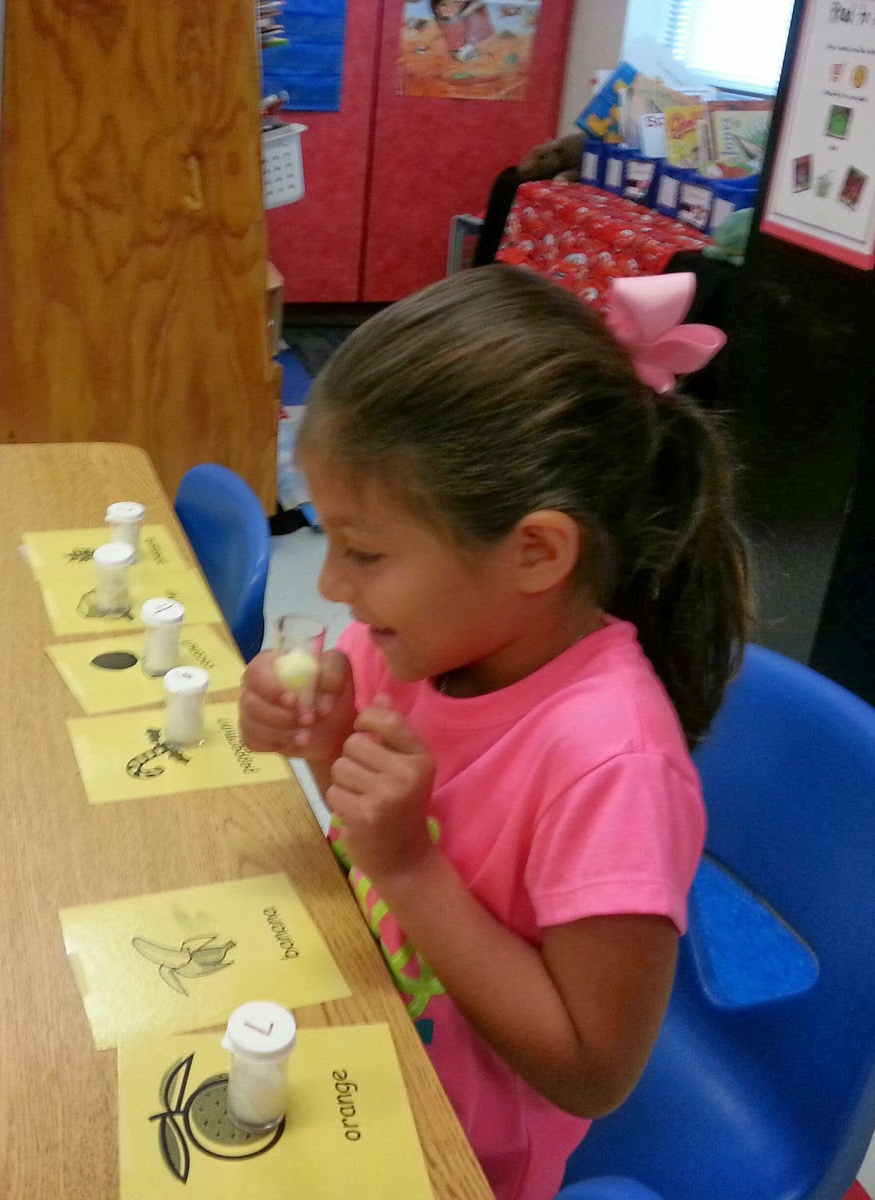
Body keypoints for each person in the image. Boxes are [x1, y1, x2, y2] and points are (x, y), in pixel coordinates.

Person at [240, 265, 752, 1200]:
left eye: (364, 551)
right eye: (328, 541)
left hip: (456, 1151)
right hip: (350, 1022)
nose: (331, 587)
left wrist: (406, 867)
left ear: (534, 552)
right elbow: (361, 802)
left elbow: (595, 1072)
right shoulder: (424, 640)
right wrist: (313, 737)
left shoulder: (613, 766)